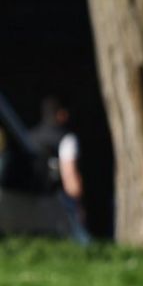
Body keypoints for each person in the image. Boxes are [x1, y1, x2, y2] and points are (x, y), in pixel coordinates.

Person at [29, 95, 90, 244]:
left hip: (34, 196)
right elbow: (69, 173)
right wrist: (77, 204)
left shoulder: (31, 136)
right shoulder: (66, 138)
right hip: (58, 197)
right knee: (80, 240)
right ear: (61, 114)